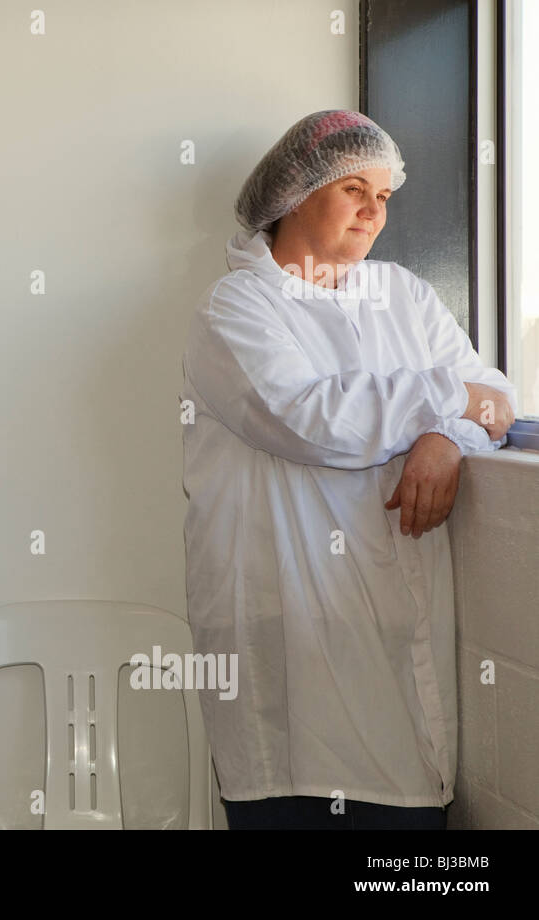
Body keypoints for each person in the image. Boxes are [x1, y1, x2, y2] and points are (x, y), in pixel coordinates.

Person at [181, 110, 518, 830]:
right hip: (286, 625)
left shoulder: (405, 296)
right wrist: (449, 399)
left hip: (396, 617)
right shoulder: (235, 308)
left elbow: (495, 398)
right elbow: (312, 419)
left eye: (384, 196)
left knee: (406, 833)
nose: (374, 211)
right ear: (294, 193)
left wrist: (448, 437)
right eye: (353, 190)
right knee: (299, 797)